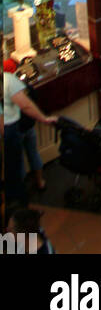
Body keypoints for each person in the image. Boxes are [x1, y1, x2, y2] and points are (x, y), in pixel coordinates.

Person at [3, 61, 58, 209]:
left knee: (15, 165)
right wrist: (44, 119)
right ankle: (37, 184)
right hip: (22, 129)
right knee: (28, 156)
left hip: (14, 131)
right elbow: (27, 104)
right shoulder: (11, 82)